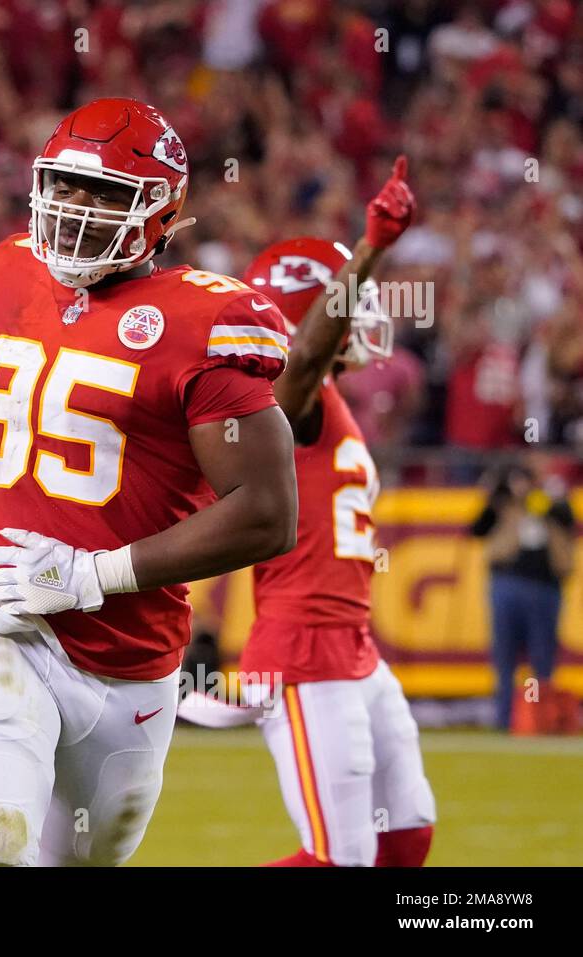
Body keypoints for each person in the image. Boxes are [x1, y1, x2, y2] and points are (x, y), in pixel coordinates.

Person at [0, 98, 299, 866]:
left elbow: (268, 514)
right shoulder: (13, 272)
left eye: (104, 193)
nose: (76, 209)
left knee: (75, 858)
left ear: (160, 208)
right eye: (65, 187)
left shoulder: (205, 320)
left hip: (130, 659)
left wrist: (95, 573)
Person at [227, 157, 437, 867]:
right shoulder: (283, 397)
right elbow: (307, 351)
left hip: (352, 643)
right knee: (338, 858)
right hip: (301, 650)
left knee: (406, 835)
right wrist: (373, 246)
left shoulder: (329, 398)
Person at [471, 461, 576, 730]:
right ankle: (505, 720)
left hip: (545, 587)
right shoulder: (504, 504)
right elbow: (477, 529)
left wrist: (546, 497)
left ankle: (540, 720)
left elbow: (568, 520)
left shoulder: (552, 503)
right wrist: (494, 495)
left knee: (542, 657)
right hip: (507, 583)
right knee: (504, 657)